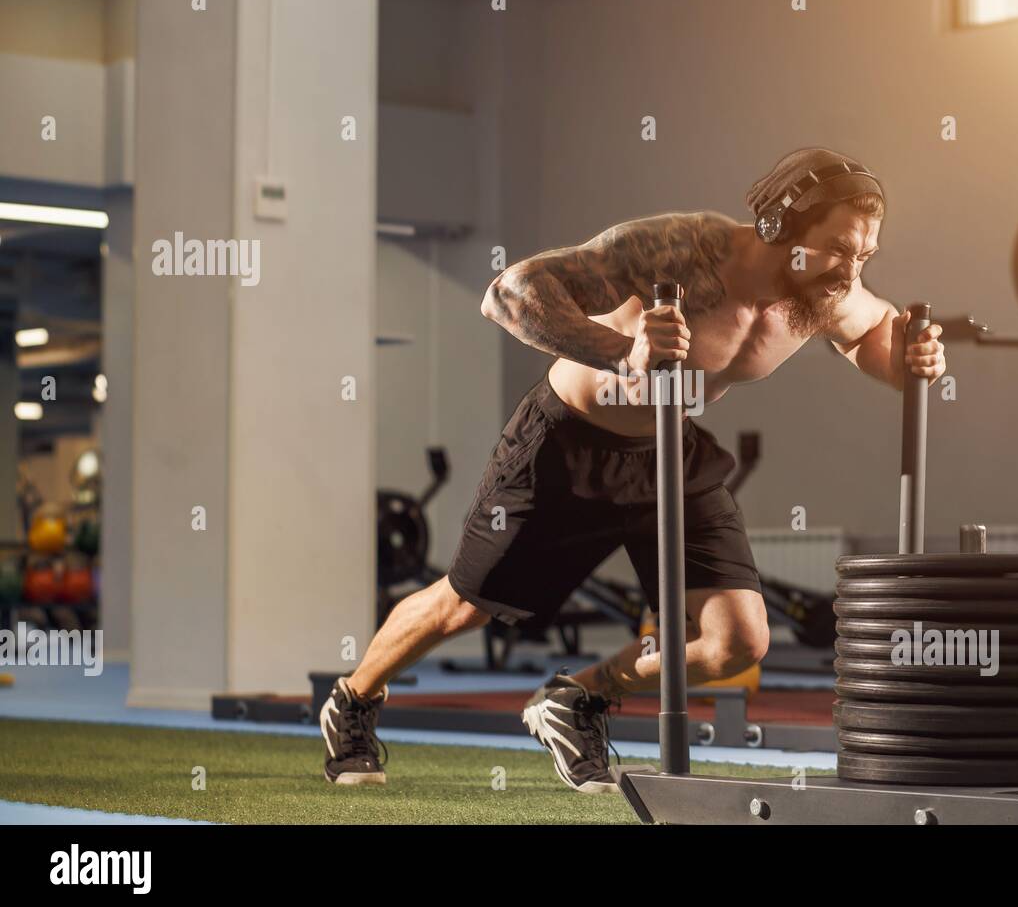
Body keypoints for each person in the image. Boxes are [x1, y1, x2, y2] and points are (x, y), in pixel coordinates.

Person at [320, 147, 946, 790]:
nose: (851, 268)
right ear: (780, 227)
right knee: (464, 606)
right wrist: (625, 351)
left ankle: (577, 698)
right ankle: (354, 702)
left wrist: (908, 358)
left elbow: (870, 336)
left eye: (864, 254)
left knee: (737, 642)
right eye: (839, 248)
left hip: (671, 452)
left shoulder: (821, 291)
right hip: (566, 443)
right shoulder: (683, 252)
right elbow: (507, 295)